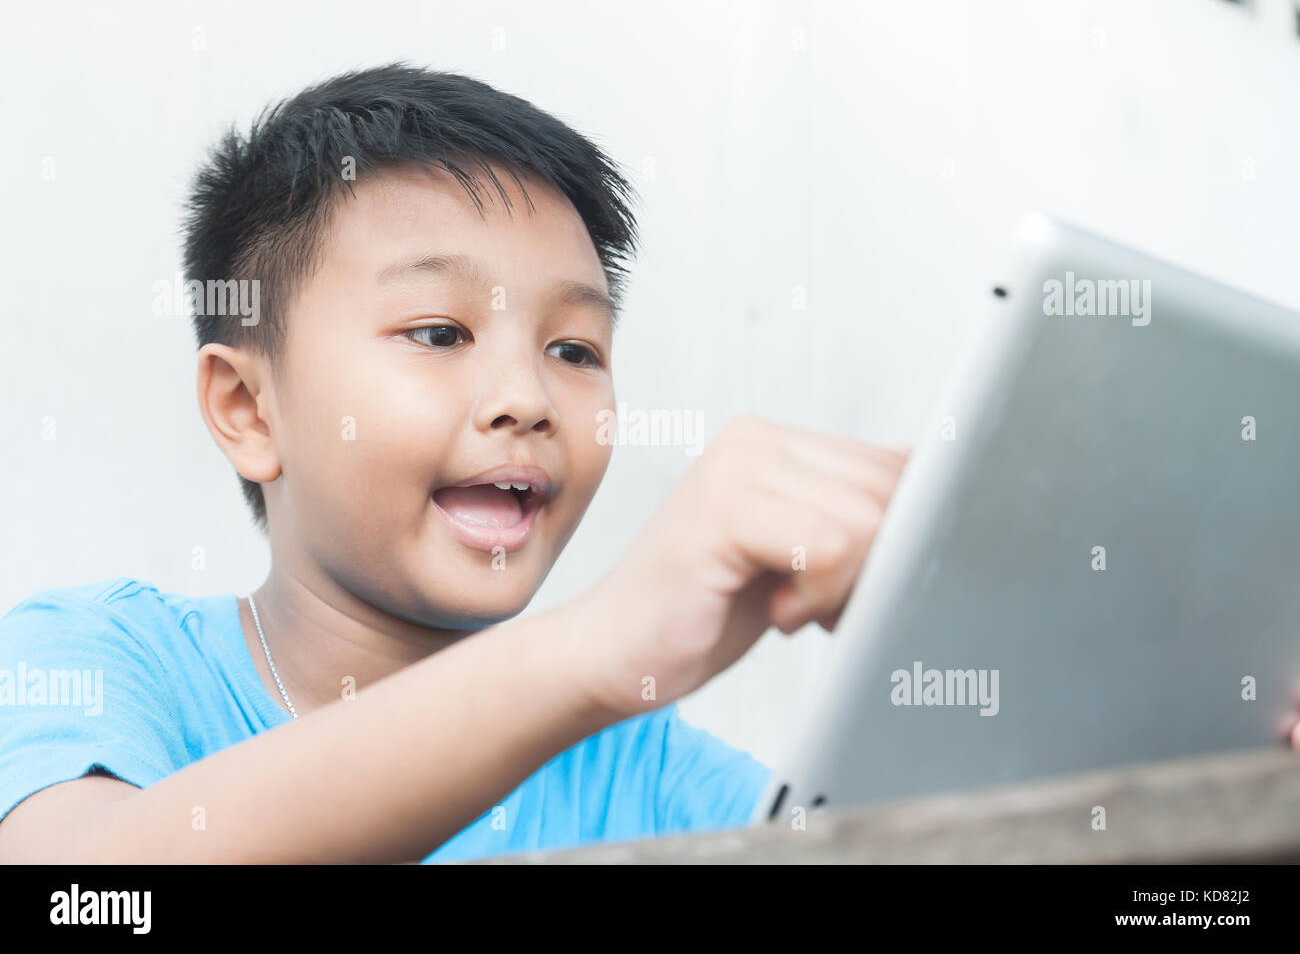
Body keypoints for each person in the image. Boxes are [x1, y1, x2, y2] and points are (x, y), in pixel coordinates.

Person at [0, 63, 910, 863]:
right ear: (248, 409)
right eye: (440, 332)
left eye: (576, 349)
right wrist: (596, 644)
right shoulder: (104, 660)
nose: (527, 397)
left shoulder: (644, 770)